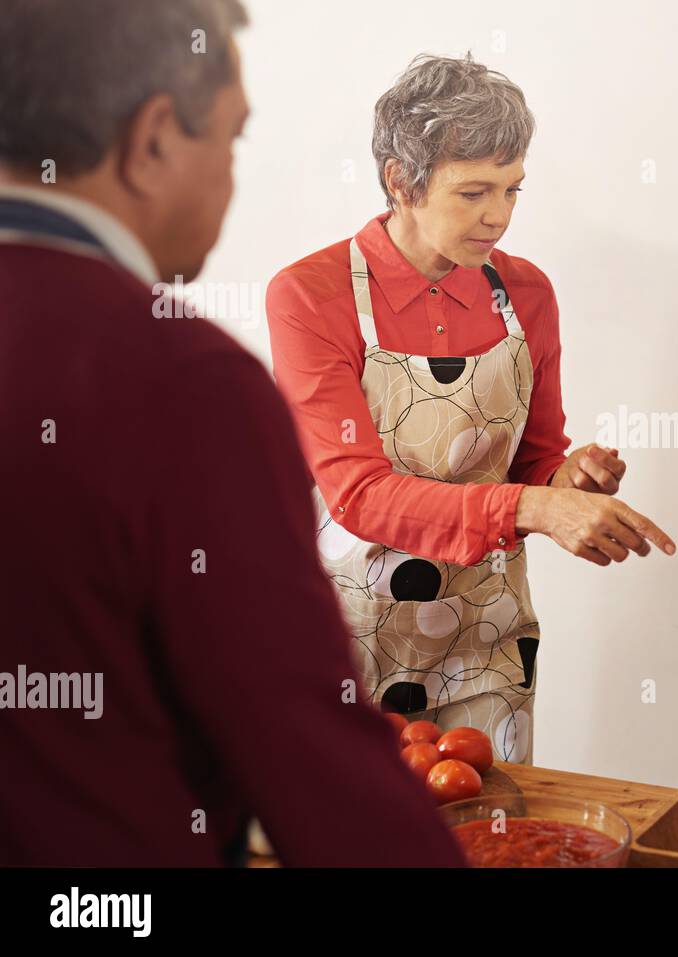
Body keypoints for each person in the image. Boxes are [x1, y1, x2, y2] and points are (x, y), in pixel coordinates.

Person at [0, 0, 465, 866]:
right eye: (231, 139)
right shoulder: (181, 379)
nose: (232, 177)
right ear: (150, 142)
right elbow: (308, 761)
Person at [266, 55, 675, 765]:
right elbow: (357, 494)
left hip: (486, 638)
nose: (500, 216)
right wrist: (537, 509)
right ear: (401, 181)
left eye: (513, 189)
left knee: (500, 835)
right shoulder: (311, 296)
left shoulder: (526, 295)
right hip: (349, 642)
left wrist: (568, 482)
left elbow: (534, 457)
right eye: (474, 192)